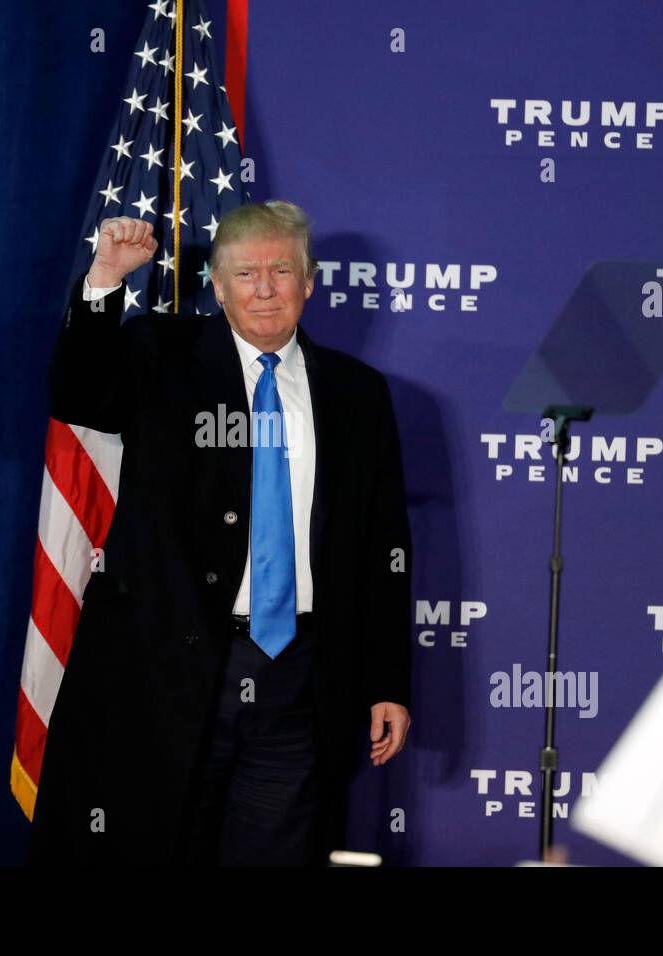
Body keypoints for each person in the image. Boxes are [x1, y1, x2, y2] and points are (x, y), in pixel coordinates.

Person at [26, 200, 412, 866]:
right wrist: (105, 281)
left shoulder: (358, 394)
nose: (265, 289)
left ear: (310, 281)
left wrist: (387, 681)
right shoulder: (161, 354)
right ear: (218, 286)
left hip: (297, 674)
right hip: (166, 669)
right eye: (246, 274)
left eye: (282, 271)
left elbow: (384, 549)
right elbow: (78, 395)